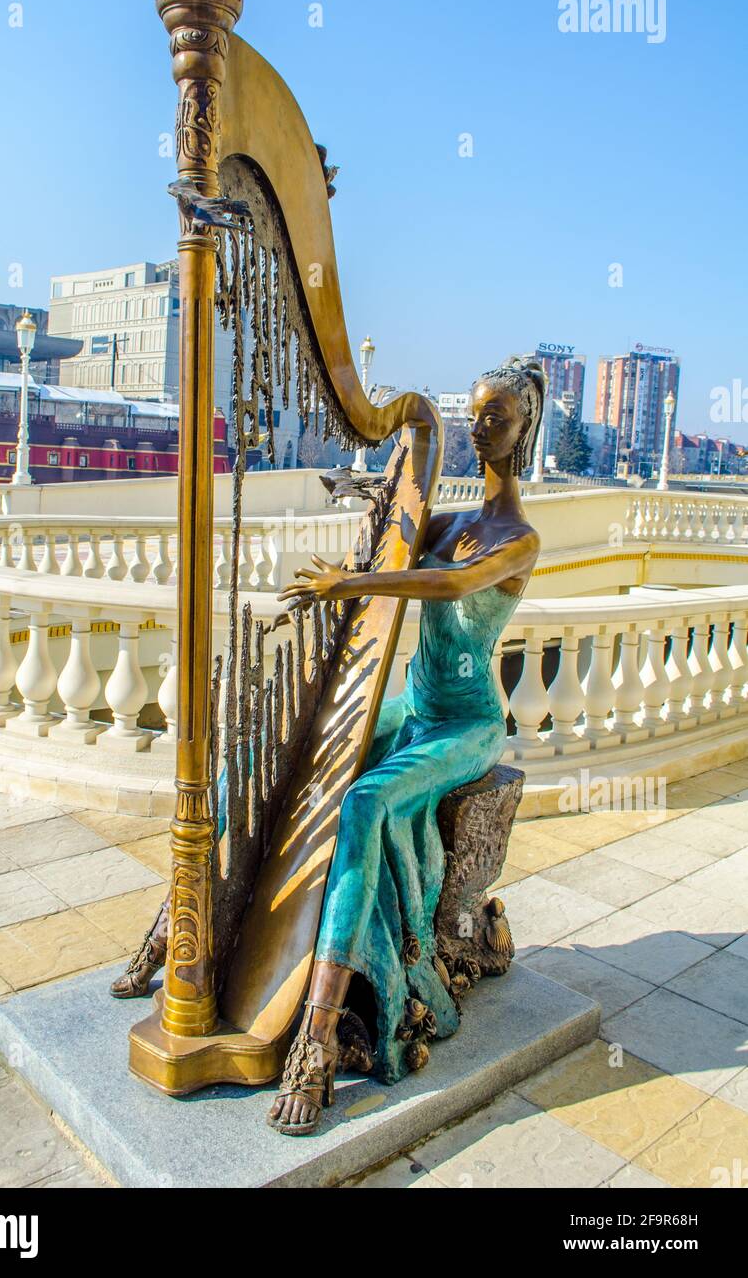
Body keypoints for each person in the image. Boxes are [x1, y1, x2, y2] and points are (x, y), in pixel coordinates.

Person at [266, 357, 544, 1134]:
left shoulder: (516, 540)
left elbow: (449, 588)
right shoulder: (449, 524)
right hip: (415, 706)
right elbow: (399, 544)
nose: (481, 429)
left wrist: (346, 588)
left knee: (364, 800)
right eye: (475, 415)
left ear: (523, 432)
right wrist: (371, 495)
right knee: (307, 743)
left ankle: (317, 1038)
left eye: (498, 419)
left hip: (464, 725)